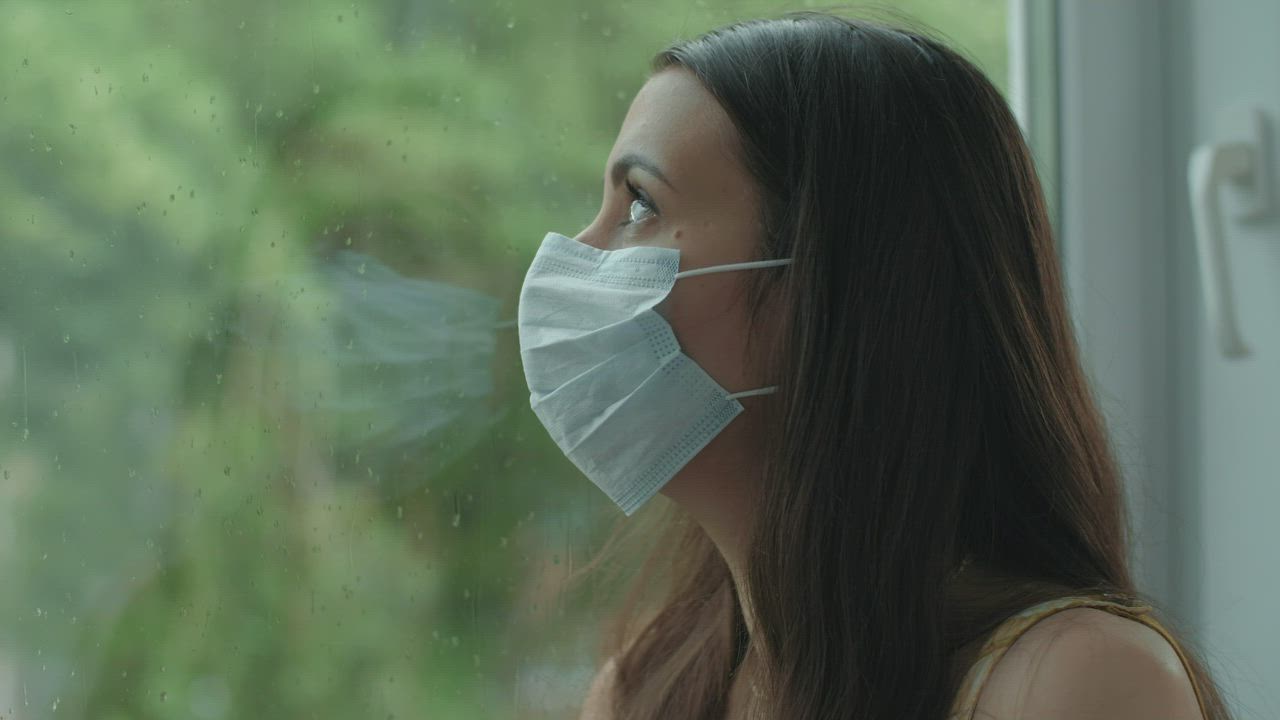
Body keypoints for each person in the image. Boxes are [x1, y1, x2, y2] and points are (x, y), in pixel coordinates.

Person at [514, 11, 1233, 720]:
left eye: (639, 202)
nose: (579, 252)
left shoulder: (1072, 684)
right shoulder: (645, 688)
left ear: (831, 285)